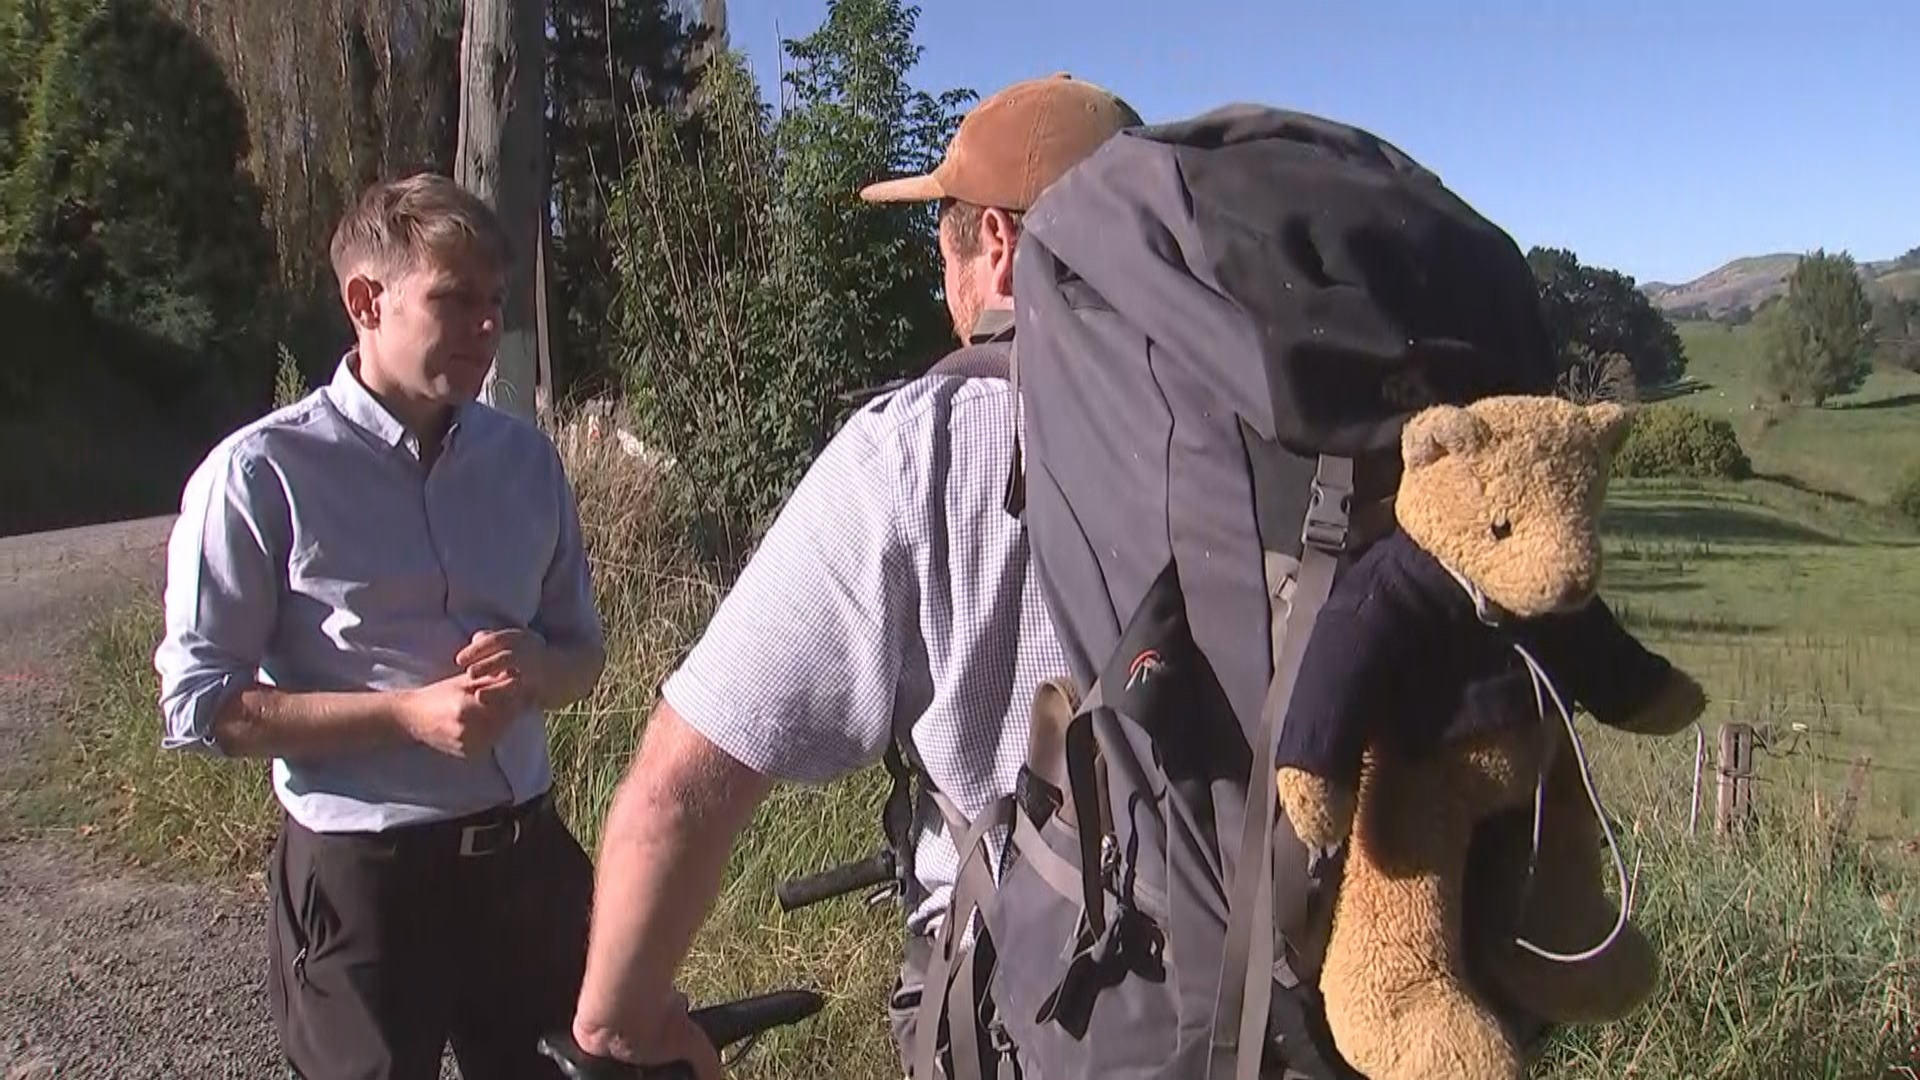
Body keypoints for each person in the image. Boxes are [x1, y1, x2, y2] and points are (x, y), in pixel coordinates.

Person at [563, 74, 1143, 1080]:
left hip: (1037, 1017)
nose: (944, 284)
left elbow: (681, 786)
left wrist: (619, 1026)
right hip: (1254, 998)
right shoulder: (1265, 428)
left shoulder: (918, 448)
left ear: (997, 244)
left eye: (946, 252)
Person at [153, 173, 608, 1080]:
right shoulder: (262, 475)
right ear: (367, 301)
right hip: (363, 882)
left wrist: (535, 670)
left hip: (526, 870)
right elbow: (203, 707)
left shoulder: (525, 462)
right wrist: (403, 716)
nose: (487, 324)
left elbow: (583, 656)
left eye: (495, 301)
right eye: (455, 299)